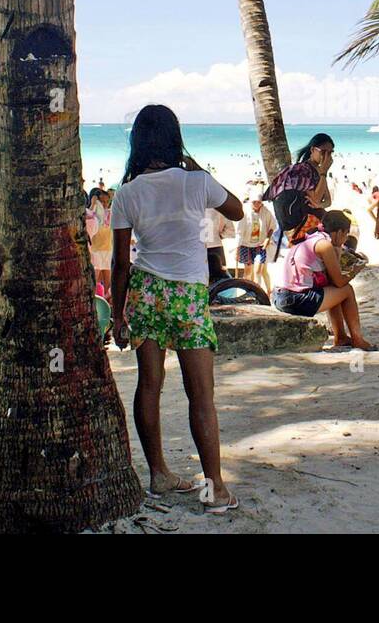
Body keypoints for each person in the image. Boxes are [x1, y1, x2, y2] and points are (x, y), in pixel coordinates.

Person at [109, 105, 242, 513]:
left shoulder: (127, 192)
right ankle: (215, 488)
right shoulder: (196, 181)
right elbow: (236, 210)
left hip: (146, 290)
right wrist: (196, 166)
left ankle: (159, 475)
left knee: (149, 386)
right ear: (174, 138)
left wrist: (117, 315)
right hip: (188, 293)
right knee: (200, 394)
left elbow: (119, 262)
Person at [273, 209, 375, 350]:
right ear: (339, 232)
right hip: (295, 299)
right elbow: (339, 281)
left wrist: (338, 251)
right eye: (345, 234)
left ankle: (341, 337)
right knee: (347, 290)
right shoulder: (324, 245)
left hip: (281, 296)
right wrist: (356, 270)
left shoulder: (313, 238)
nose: (345, 239)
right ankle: (357, 339)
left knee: (334, 291)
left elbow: (331, 281)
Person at [264, 133, 333, 245]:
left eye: (330, 153)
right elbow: (316, 199)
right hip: (301, 225)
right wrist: (324, 172)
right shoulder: (303, 170)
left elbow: (328, 201)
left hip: (310, 222)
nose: (326, 157)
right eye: (323, 152)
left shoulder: (318, 171)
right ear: (312, 150)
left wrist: (319, 204)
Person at [235, 195, 276, 292]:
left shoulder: (265, 212)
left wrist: (267, 238)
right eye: (254, 202)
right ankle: (247, 292)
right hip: (246, 245)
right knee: (248, 271)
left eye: (259, 202)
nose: (257, 204)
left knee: (258, 271)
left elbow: (272, 226)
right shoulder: (245, 212)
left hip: (260, 245)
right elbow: (239, 232)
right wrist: (237, 249)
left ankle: (258, 293)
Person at [86, 188, 113, 292]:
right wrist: (93, 203)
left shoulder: (109, 213)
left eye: (107, 201)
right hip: (96, 251)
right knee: (94, 282)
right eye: (102, 201)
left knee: (108, 285)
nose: (105, 204)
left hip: (107, 251)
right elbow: (89, 218)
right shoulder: (91, 214)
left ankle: (106, 305)